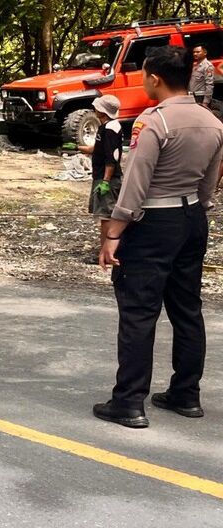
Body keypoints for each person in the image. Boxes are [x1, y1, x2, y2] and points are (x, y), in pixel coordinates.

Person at [95, 46, 223, 428]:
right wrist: (195, 208)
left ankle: (129, 402)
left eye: (145, 75)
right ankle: (186, 394)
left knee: (139, 312)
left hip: (153, 221)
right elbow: (210, 180)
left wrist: (114, 230)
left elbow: (137, 181)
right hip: (191, 219)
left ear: (155, 78)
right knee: (187, 310)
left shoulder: (154, 122)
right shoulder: (213, 122)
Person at [76, 95, 124, 249]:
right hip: (103, 176)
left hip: (107, 178)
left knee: (106, 216)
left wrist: (106, 181)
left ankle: (106, 251)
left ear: (102, 111)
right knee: (106, 215)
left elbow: (111, 158)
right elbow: (98, 149)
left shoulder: (110, 129)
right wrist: (77, 147)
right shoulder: (107, 127)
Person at [189, 45, 214, 109]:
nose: (195, 54)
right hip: (192, 97)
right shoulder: (195, 65)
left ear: (205, 53)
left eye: (198, 52)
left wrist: (205, 102)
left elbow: (209, 85)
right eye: (194, 52)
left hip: (201, 98)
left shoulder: (208, 66)